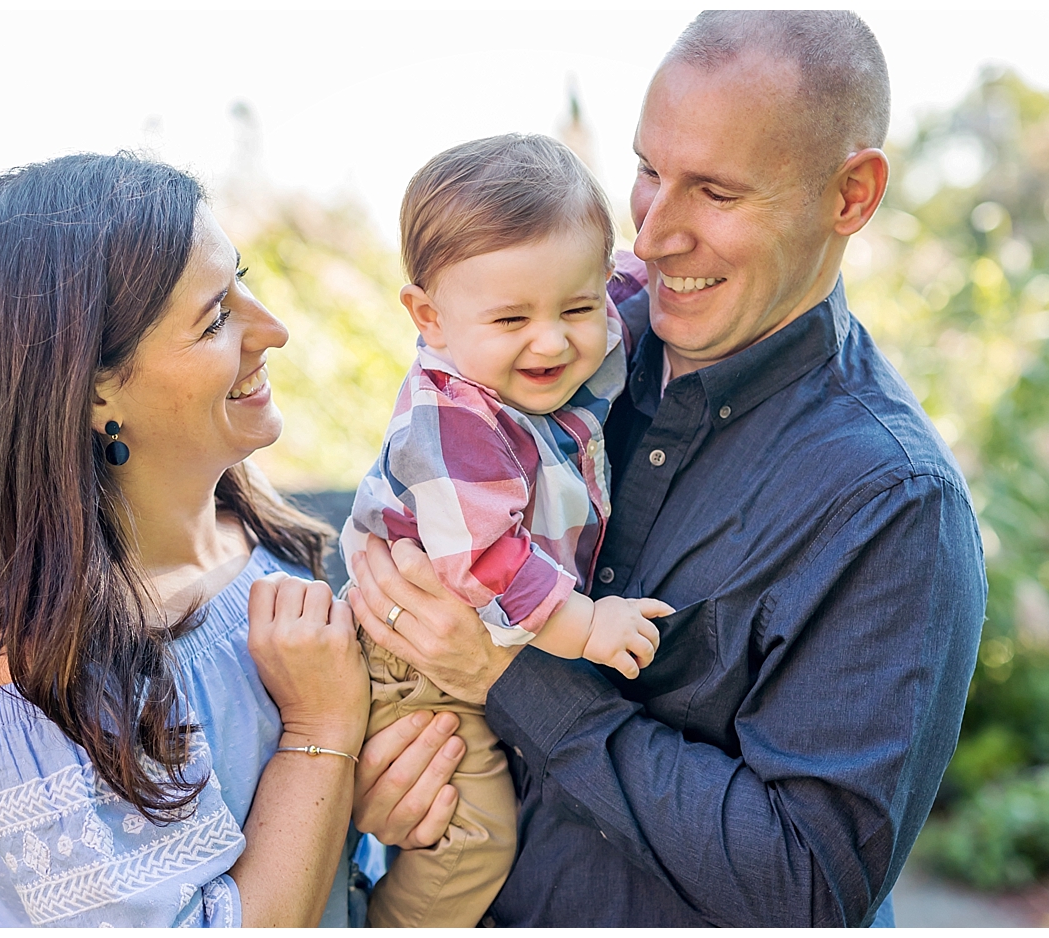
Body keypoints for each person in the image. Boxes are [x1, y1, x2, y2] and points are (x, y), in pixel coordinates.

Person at [347, 10, 987, 927]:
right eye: (648, 172)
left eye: (715, 193)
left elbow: (808, 887)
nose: (649, 237)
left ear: (849, 195)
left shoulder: (889, 506)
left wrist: (511, 676)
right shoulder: (564, 337)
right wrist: (388, 790)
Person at [0, 152, 457, 927]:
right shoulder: (41, 692)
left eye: (242, 279)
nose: (273, 329)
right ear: (93, 390)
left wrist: (364, 813)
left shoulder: (275, 552)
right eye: (216, 317)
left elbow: (324, 852)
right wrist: (321, 733)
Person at [339, 134, 670, 926]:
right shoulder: (451, 415)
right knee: (470, 839)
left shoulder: (544, 336)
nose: (552, 340)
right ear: (430, 317)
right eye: (513, 317)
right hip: (416, 645)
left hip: (490, 629)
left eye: (576, 308)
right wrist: (587, 625)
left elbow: (630, 282)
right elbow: (485, 562)